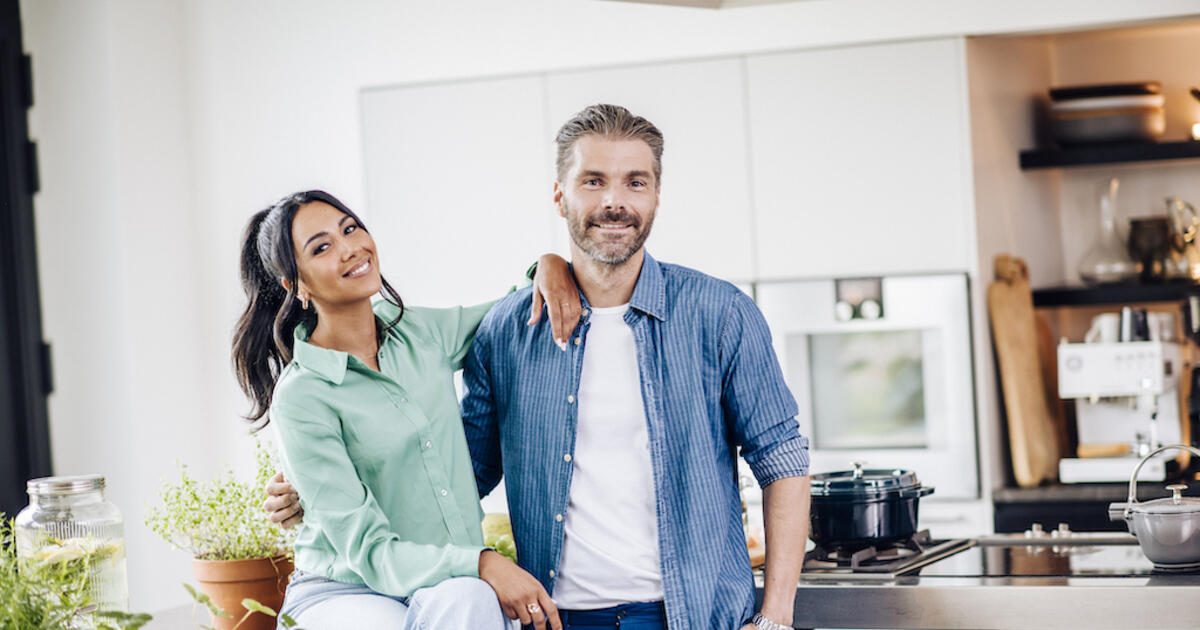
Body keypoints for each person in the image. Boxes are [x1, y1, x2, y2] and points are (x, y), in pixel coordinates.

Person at [269, 105, 810, 630]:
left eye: (635, 183)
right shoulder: (507, 331)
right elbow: (464, 470)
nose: (615, 201)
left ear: (657, 196)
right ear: (560, 195)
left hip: (694, 614)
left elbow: (781, 455)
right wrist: (324, 497)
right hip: (557, 616)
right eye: (593, 181)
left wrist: (774, 618)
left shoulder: (719, 314)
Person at [234, 190, 581, 630]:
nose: (349, 249)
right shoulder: (303, 396)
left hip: (445, 581)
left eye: (350, 229)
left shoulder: (418, 332)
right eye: (321, 248)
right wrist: (485, 562)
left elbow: (513, 315)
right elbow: (368, 550)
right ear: (296, 285)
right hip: (346, 588)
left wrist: (548, 265)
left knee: (469, 599)